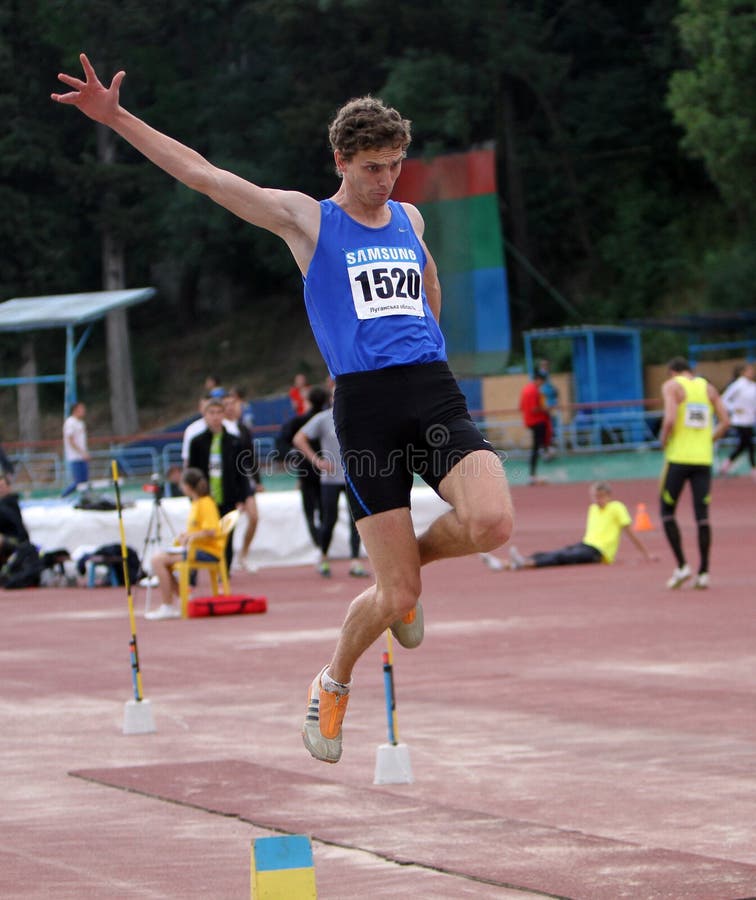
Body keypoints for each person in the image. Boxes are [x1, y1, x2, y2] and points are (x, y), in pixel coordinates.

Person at [52, 58, 513, 765]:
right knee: (394, 597)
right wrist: (115, 119)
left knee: (491, 521)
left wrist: (432, 333)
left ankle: (405, 585)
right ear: (341, 161)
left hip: (431, 388)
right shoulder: (307, 220)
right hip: (364, 406)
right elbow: (207, 177)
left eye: (394, 165)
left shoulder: (410, 216)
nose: (385, 180)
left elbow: (426, 276)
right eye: (370, 168)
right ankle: (333, 680)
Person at [659, 357, 730, 590]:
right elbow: (726, 421)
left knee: (667, 511)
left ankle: (682, 566)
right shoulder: (707, 388)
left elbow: (669, 418)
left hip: (678, 458)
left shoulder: (672, 386)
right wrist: (708, 440)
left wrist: (663, 439)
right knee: (702, 516)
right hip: (703, 460)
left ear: (672, 372)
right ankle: (704, 572)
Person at [293, 399, 369, 579]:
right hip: (330, 479)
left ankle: (355, 561)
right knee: (330, 519)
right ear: (331, 398)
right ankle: (324, 556)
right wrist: (316, 461)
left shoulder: (357, 416)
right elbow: (299, 438)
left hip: (353, 478)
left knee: (357, 520)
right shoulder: (323, 419)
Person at [505, 481, 655, 570]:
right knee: (553, 552)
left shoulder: (616, 507)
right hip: (586, 544)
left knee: (562, 556)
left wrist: (646, 554)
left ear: (609, 496)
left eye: (600, 496)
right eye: (594, 497)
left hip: (600, 552)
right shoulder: (593, 509)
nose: (597, 500)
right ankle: (510, 563)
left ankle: (527, 564)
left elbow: (630, 533)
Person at [147, 467, 223, 620]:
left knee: (157, 560)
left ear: (188, 486)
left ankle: (168, 605)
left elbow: (212, 531)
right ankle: (182, 599)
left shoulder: (205, 503)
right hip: (196, 548)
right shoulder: (196, 503)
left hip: (207, 550)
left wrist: (190, 536)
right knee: (161, 561)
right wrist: (186, 536)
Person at [187, 396, 247, 569]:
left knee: (226, 535)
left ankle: (225, 571)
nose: (215, 417)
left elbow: (241, 471)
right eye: (211, 413)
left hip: (228, 494)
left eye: (218, 412)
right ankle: (196, 571)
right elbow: (192, 471)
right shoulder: (196, 442)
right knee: (200, 533)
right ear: (205, 415)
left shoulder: (234, 441)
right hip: (205, 498)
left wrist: (241, 497)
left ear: (223, 415)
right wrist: (194, 496)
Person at [277, 385, 330, 550]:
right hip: (327, 469)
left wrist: (293, 455)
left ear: (307, 401)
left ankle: (317, 540)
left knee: (309, 510)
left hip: (305, 470)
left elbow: (282, 443)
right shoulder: (329, 419)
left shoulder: (298, 422)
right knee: (324, 509)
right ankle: (322, 541)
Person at [223, 387, 264, 572]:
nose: (231, 408)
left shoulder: (243, 429)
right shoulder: (221, 429)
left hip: (245, 479)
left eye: (234, 404)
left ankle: (244, 554)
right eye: (227, 405)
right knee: (229, 521)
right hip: (228, 481)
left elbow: (250, 455)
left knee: (254, 517)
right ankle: (226, 559)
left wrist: (258, 479)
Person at [719, 362, 756, 480]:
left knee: (744, 445)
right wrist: (734, 408)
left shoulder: (753, 386)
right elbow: (724, 399)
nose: (752, 372)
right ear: (742, 372)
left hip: (749, 420)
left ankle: (726, 465)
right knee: (748, 444)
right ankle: (753, 469)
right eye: (749, 370)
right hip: (739, 421)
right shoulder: (737, 385)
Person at [519, 371, 550, 484]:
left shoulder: (526, 389)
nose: (542, 384)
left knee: (536, 447)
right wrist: (545, 410)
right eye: (542, 382)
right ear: (538, 379)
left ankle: (546, 451)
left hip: (530, 422)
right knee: (536, 448)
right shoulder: (534, 391)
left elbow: (521, 407)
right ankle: (533, 474)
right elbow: (534, 409)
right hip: (537, 422)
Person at [0, 473, 30, 566]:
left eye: (1, 486)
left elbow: (18, 528)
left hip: (16, 542)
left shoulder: (10, 504)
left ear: (9, 488)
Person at [61, 401, 90, 498]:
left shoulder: (81, 423)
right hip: (75, 456)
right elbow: (70, 440)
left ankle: (85, 498)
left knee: (84, 481)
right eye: (81, 409)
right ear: (75, 410)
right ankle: (63, 496)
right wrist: (82, 452)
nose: (84, 411)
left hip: (82, 456)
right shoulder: (70, 422)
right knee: (78, 482)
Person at [537, 358, 559, 459]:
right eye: (544, 365)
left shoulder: (546, 378)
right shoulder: (542, 380)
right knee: (546, 431)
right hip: (545, 409)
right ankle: (546, 452)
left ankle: (548, 452)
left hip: (548, 408)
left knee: (550, 431)